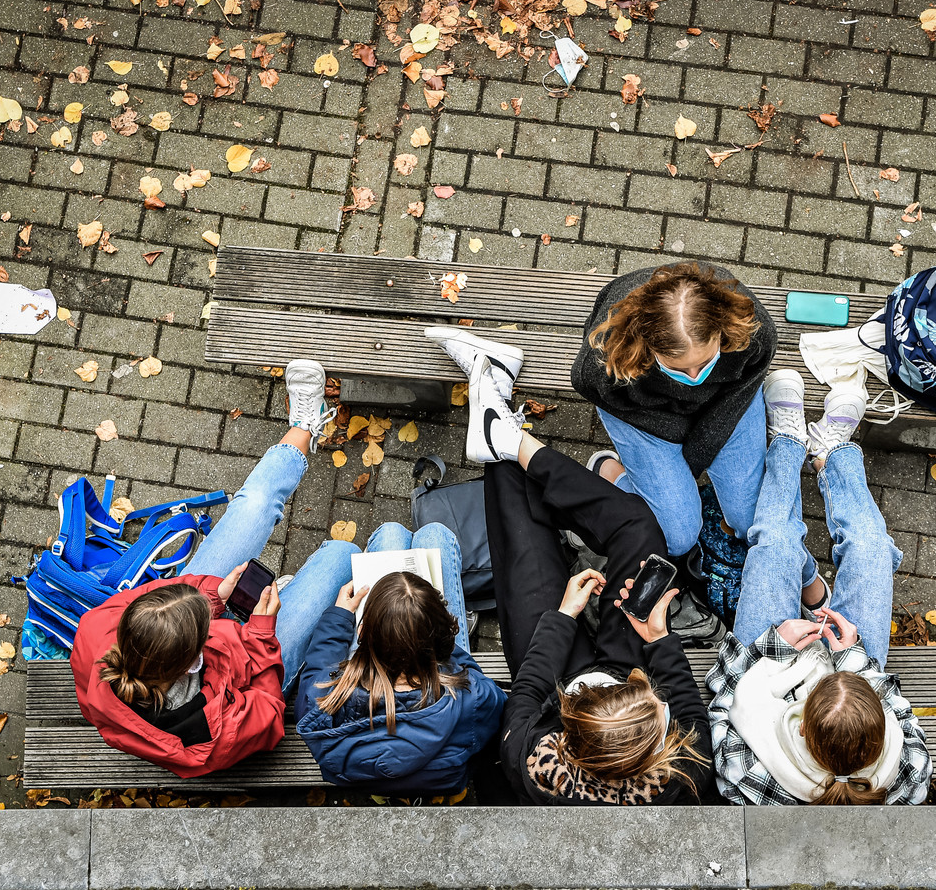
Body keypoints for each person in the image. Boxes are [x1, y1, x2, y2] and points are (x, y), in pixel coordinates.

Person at [438, 331, 712, 805]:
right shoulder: (686, 775)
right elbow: (690, 711)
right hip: (630, 657)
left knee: (523, 545)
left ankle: (496, 410)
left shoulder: (532, 762)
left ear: (571, 729)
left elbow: (526, 693)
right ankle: (509, 434)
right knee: (639, 528)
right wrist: (660, 640)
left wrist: (563, 617)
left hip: (556, 680)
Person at [72, 360, 336, 778]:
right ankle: (298, 594)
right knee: (338, 556)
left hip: (222, 645)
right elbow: (267, 715)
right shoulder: (204, 735)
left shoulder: (95, 630)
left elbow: (181, 590)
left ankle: (305, 425)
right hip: (251, 671)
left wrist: (215, 594)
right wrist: (263, 634)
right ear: (194, 658)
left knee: (253, 506)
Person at [706, 369, 931, 806]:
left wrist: (773, 646)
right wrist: (853, 661)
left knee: (774, 546)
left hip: (770, 671)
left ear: (801, 725)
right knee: (871, 551)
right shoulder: (906, 772)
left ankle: (786, 445)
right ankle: (833, 453)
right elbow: (899, 710)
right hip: (846, 670)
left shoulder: (750, 777)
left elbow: (721, 703)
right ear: (880, 731)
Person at [569, 261, 778, 557]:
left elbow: (744, 385)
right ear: (648, 346)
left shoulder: (754, 329)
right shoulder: (608, 353)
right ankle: (609, 471)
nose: (694, 378)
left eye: (705, 363)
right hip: (642, 412)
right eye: (677, 367)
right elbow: (586, 384)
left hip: (726, 399)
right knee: (677, 539)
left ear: (720, 331)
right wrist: (678, 434)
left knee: (750, 519)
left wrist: (692, 456)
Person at [289, 522, 506, 799]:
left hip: (365, 781)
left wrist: (339, 616)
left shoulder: (328, 700)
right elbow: (487, 702)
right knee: (435, 534)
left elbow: (317, 672)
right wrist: (440, 641)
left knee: (390, 532)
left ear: (362, 634)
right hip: (442, 780)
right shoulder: (472, 696)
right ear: (442, 638)